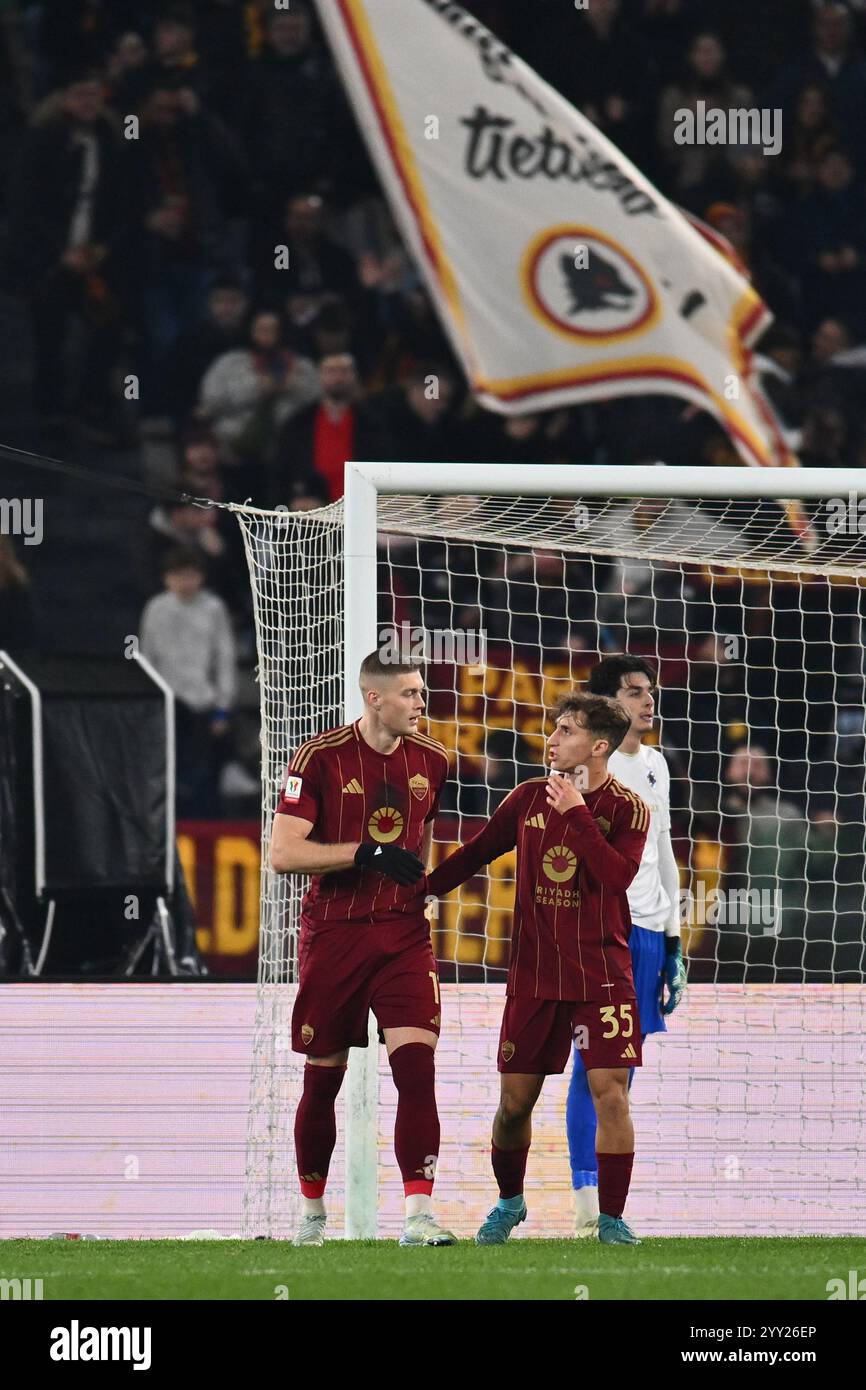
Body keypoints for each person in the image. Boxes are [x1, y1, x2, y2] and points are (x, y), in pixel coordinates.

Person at [426, 692, 650, 1245]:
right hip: (534, 975)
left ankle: (612, 1219)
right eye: (554, 729)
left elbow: (615, 876)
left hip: (601, 971)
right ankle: (509, 1202)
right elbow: (475, 853)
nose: (552, 740)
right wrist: (421, 891)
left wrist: (576, 815)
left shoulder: (628, 809)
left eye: (566, 730)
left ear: (599, 746)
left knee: (611, 1093)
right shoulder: (526, 798)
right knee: (514, 1104)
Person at [269, 653, 454, 1247]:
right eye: (409, 694)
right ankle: (312, 1217)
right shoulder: (319, 758)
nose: (421, 704)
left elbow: (420, 841)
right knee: (324, 1077)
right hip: (336, 934)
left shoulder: (433, 760)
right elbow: (283, 855)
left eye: (422, 692)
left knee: (417, 1068)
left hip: (402, 935)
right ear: (374, 698)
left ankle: (419, 1218)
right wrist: (364, 853)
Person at [565, 656, 686, 1236]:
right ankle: (587, 1199)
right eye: (634, 692)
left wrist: (674, 938)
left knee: (624, 1066)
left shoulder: (657, 765)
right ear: (610, 705)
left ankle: (605, 1197)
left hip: (646, 936)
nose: (648, 701)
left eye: (651, 691)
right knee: (593, 1065)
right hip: (600, 932)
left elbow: (664, 854)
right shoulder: (589, 770)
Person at [139, 546, 236, 817]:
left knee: (203, 774)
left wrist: (222, 708)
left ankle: (204, 826)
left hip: (202, 705)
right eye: (178, 575)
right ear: (166, 578)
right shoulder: (156, 609)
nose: (185, 582)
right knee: (169, 770)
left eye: (190, 575)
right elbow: (148, 658)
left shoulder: (213, 608)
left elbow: (224, 659)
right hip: (168, 704)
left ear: (200, 576)